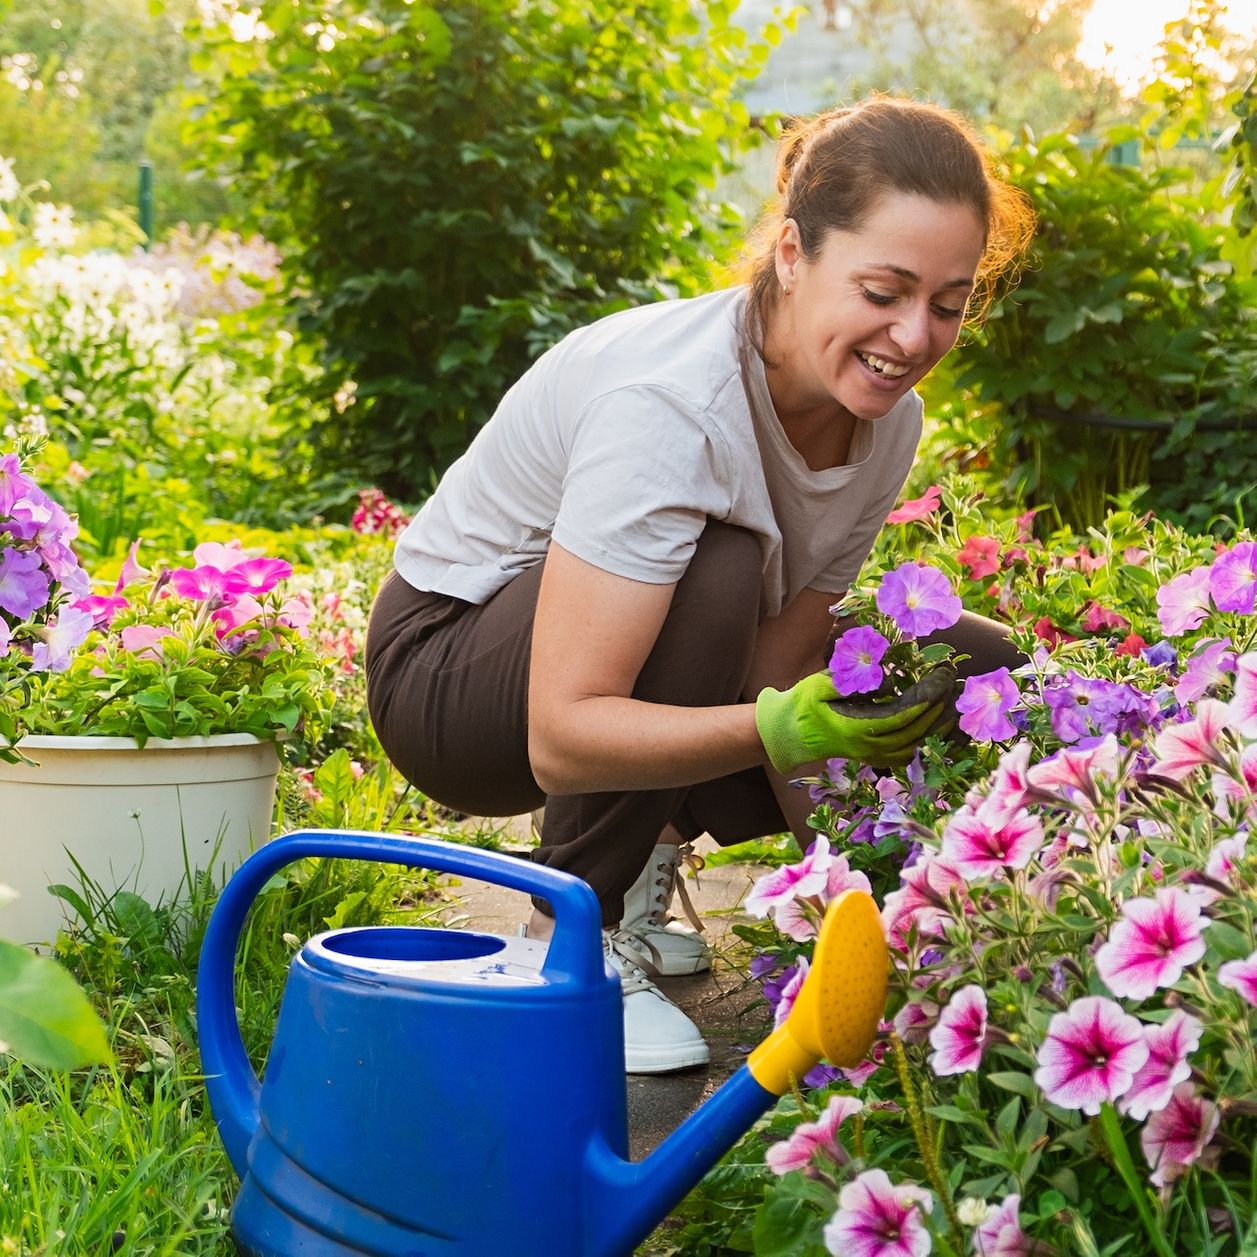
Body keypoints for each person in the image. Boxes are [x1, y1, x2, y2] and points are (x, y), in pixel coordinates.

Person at [365, 95, 1036, 1075]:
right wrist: (780, 729)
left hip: (648, 654)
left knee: (964, 663)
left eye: (947, 301)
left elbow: (783, 663)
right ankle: (569, 931)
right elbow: (561, 731)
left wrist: (856, 924)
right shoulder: (673, 404)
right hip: (452, 679)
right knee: (715, 574)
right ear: (796, 254)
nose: (913, 335)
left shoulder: (889, 420)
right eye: (883, 291)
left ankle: (647, 850)